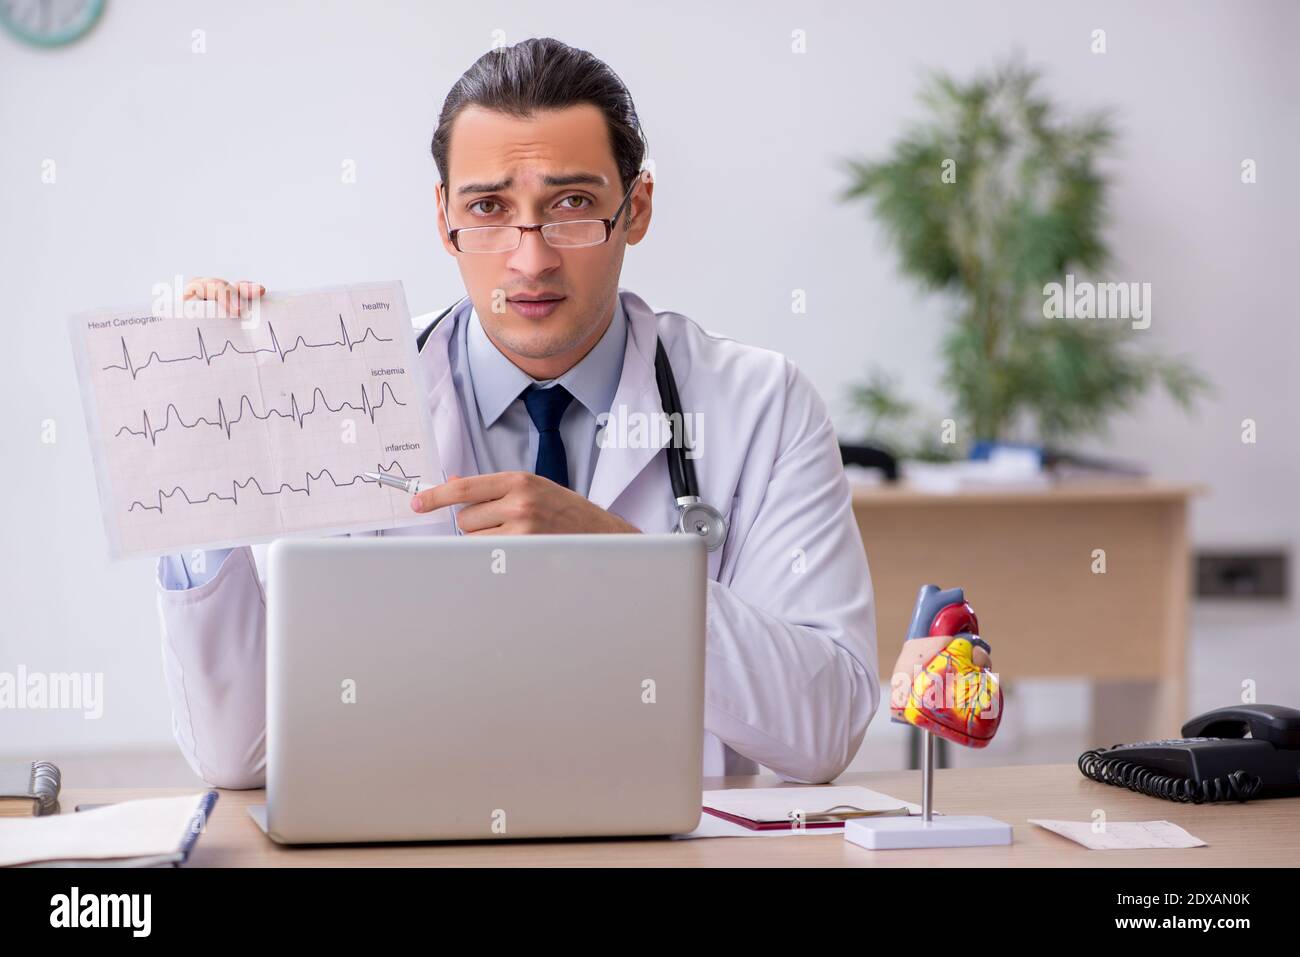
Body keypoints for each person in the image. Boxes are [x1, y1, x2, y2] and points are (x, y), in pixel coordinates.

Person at [158, 36, 885, 789]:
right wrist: (206, 479)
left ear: (634, 209)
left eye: (571, 205)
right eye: (490, 209)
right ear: (444, 221)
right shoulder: (347, 398)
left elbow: (824, 728)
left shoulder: (762, 404)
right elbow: (239, 756)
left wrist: (629, 571)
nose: (530, 259)